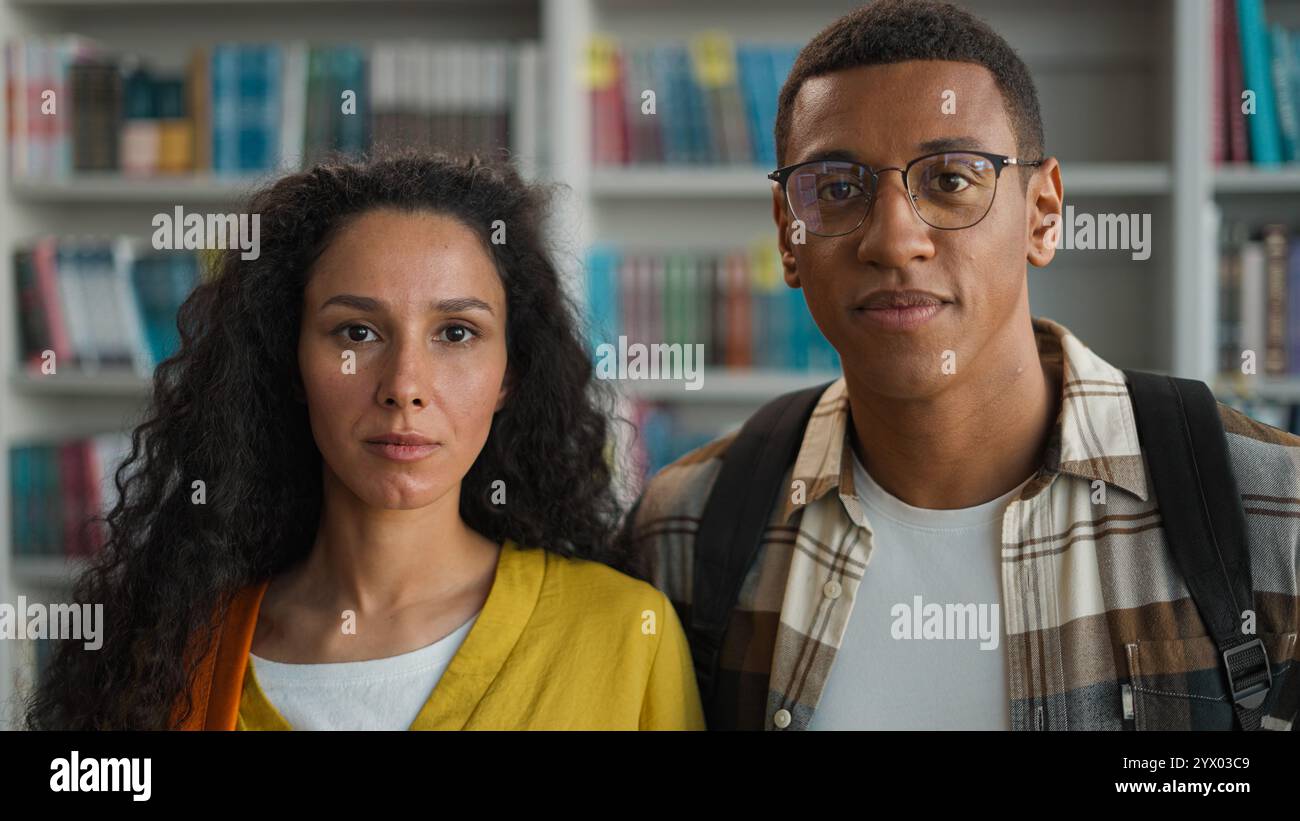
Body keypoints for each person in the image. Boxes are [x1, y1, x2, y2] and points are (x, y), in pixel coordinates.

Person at [621, 0, 1299, 730]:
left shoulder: (1275, 511)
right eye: (839, 188)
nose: (893, 239)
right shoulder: (686, 525)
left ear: (1043, 213)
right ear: (789, 236)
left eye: (949, 179)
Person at [25, 151, 704, 731]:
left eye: (456, 333)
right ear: (290, 361)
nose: (404, 385)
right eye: (356, 332)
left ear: (510, 373)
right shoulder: (171, 654)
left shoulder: (624, 634)